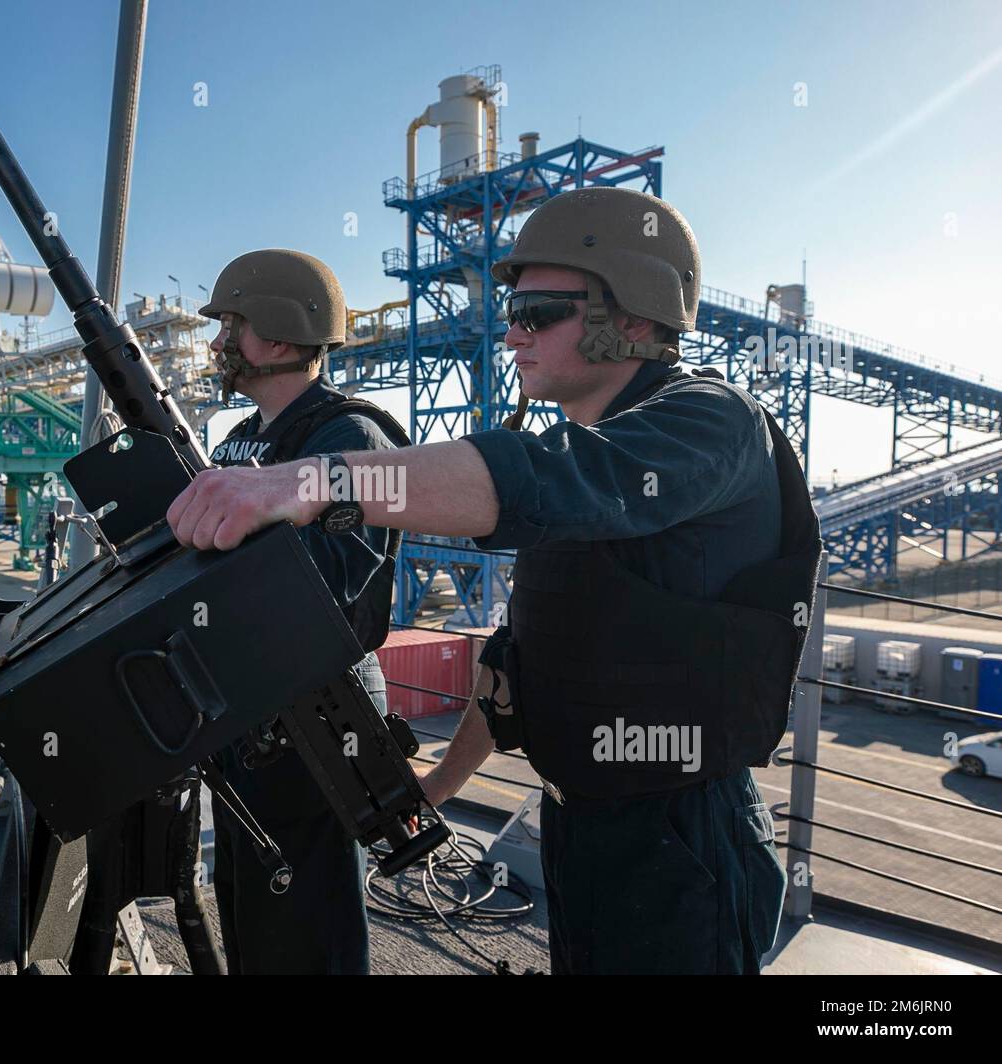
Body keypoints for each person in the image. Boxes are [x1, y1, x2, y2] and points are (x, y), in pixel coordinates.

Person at [166, 190, 822, 975]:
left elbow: (547, 478)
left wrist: (315, 480)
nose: (511, 332)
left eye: (538, 312)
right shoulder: (576, 461)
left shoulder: (710, 420)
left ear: (639, 317)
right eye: (513, 310)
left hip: (683, 839)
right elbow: (518, 660)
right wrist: (439, 782)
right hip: (583, 829)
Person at [198, 249, 409, 974]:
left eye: (231, 324)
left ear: (281, 337)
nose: (217, 343)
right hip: (246, 716)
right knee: (252, 921)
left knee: (307, 933)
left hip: (316, 722)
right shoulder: (235, 440)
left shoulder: (349, 439)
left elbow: (322, 585)